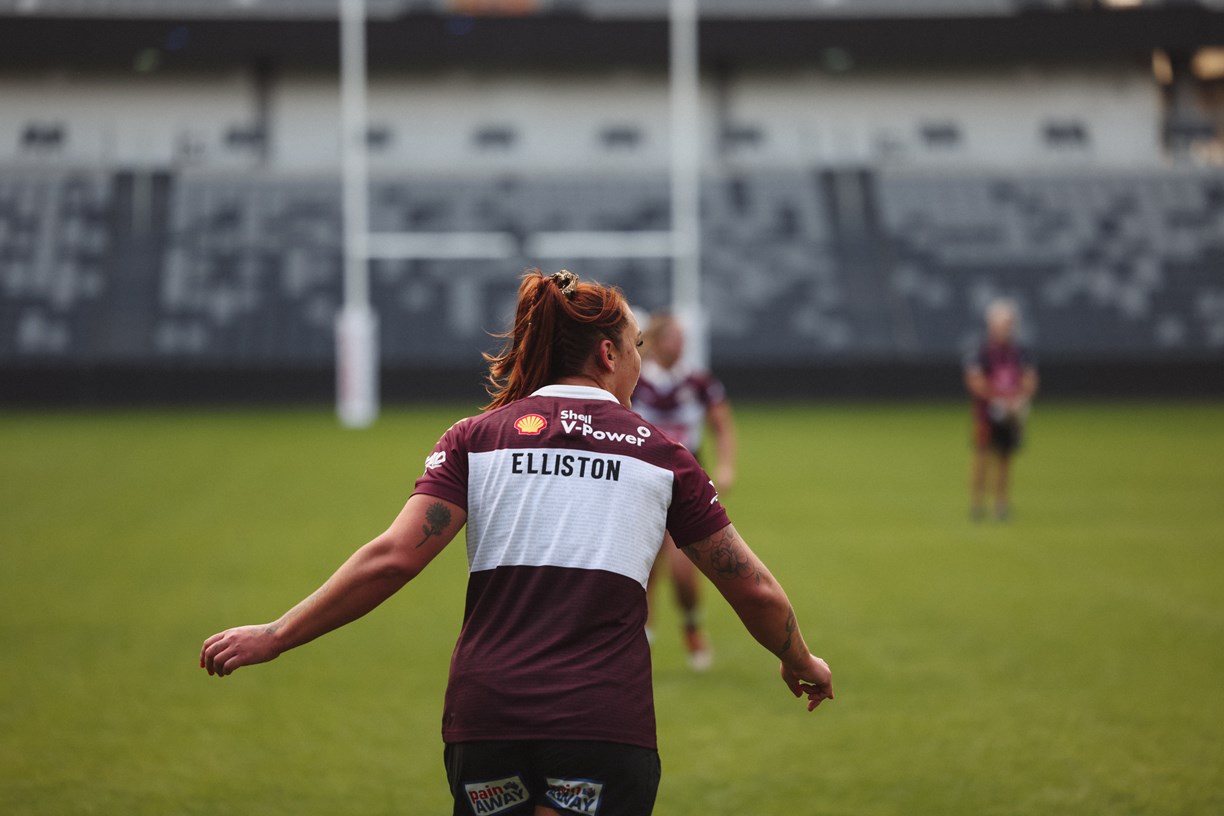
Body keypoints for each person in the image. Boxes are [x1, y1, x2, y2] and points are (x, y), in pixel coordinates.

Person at [199, 269, 832, 816]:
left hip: (487, 723)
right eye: (635, 346)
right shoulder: (661, 455)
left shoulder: (476, 438)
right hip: (600, 725)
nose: (639, 360)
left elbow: (391, 558)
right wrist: (799, 659)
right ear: (608, 354)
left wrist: (277, 635)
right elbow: (749, 585)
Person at [632, 311, 736, 671]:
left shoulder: (698, 381)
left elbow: (722, 423)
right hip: (641, 482)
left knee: (683, 571)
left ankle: (692, 624)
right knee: (642, 569)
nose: (681, 342)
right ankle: (641, 640)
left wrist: (725, 465)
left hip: (685, 487)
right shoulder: (634, 381)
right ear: (657, 341)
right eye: (674, 336)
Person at [964, 299, 1039, 521]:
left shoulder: (1020, 352)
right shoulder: (981, 352)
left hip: (1011, 413)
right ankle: (977, 503)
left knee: (1005, 459)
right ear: (992, 325)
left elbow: (1030, 379)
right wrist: (998, 397)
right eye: (1002, 324)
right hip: (987, 413)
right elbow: (974, 381)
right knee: (982, 457)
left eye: (1009, 324)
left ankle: (1001, 504)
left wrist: (1018, 399)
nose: (1006, 329)